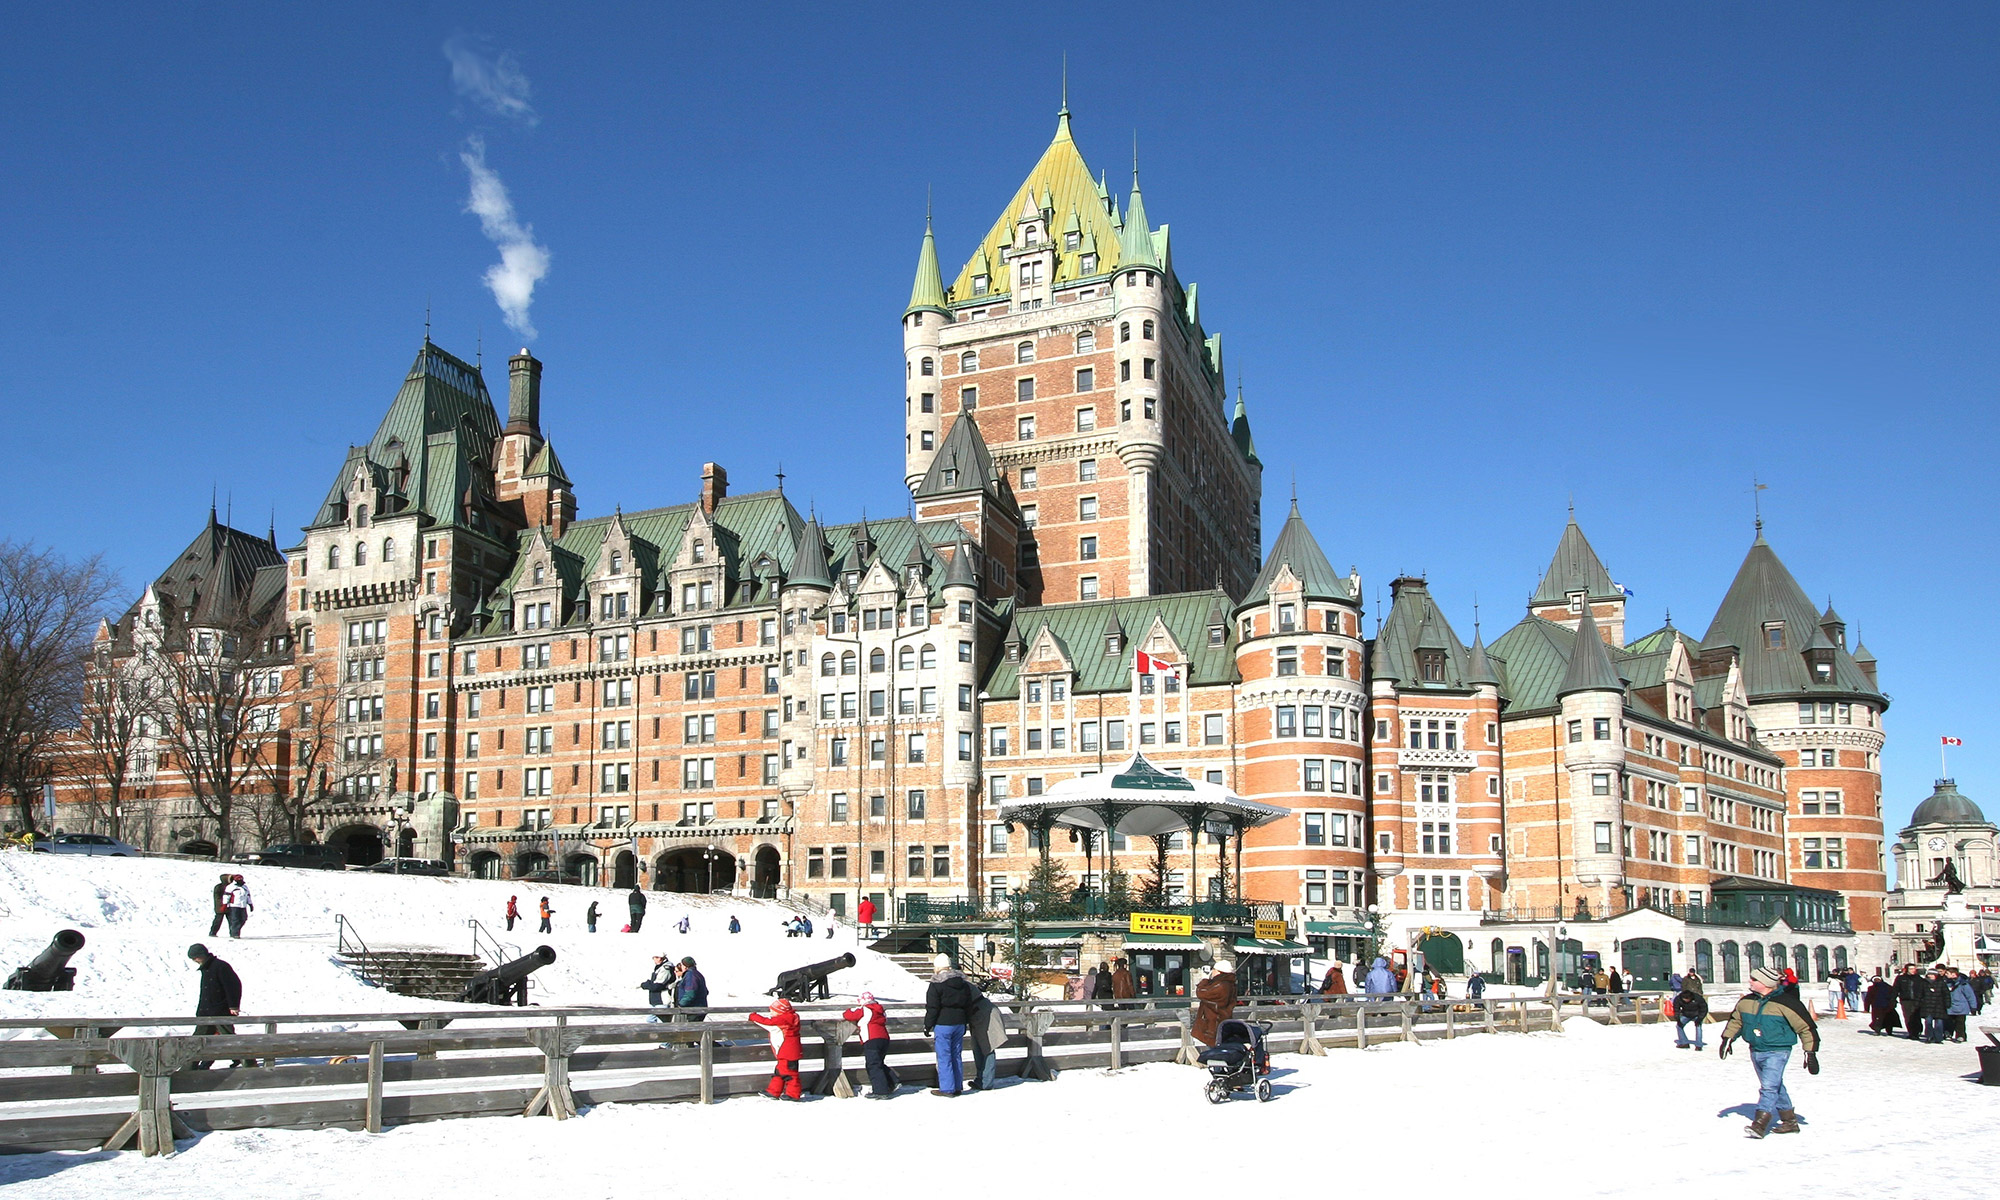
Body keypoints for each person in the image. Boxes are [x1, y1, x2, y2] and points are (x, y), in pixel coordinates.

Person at [1720, 965, 1820, 1138]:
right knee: (1775, 1086)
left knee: (1768, 1087)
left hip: (1778, 1050)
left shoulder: (1786, 1003)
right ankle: (1790, 1122)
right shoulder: (1746, 1002)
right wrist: (1727, 1039)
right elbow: (1736, 1020)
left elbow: (1806, 1027)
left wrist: (1810, 1052)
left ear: (1765, 983)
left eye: (1754, 979)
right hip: (1756, 1049)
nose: (1750, 981)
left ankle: (1759, 1124)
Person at [924, 952, 976, 1096]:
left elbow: (932, 1007)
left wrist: (928, 1025)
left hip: (943, 1023)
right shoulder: (963, 984)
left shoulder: (936, 984)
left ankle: (947, 1088)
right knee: (956, 1055)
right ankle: (958, 1085)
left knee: (944, 1056)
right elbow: (969, 1004)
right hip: (959, 1023)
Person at [188, 943, 246, 1070]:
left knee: (228, 1038)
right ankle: (188, 1067)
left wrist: (233, 1006)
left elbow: (233, 986)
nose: (194, 961)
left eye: (195, 957)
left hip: (221, 1011)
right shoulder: (206, 968)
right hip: (206, 1013)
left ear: (201, 955)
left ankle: (248, 1063)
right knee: (197, 1041)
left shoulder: (221, 967)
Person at [843, 991, 896, 1098]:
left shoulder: (865, 1009)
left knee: (873, 1065)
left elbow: (848, 1014)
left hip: (871, 1038)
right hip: (884, 1038)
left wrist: (854, 1008)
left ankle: (881, 1091)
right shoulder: (880, 1010)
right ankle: (892, 1081)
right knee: (878, 1062)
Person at [749, 997, 804, 1100]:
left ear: (780, 1012)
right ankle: (774, 1091)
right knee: (779, 1071)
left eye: (772, 1011)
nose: (771, 1013)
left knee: (790, 1074)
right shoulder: (791, 1017)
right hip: (790, 1051)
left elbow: (767, 1022)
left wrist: (753, 1016)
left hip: (787, 1052)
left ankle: (793, 1094)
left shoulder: (782, 1020)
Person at [1191, 958, 1239, 1046]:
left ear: (1219, 972)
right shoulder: (1229, 984)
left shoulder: (1220, 985)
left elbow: (1201, 992)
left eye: (1214, 970)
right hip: (1221, 1020)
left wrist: (1205, 979)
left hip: (1214, 1022)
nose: (1212, 972)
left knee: (1214, 1047)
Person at [967, 984, 1004, 1091]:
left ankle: (986, 1082)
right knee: (978, 1048)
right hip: (979, 1014)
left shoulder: (963, 985)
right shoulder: (964, 984)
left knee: (988, 1047)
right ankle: (981, 1079)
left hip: (985, 1014)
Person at [1673, 972, 1709, 1049]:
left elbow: (1704, 1009)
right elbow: (1676, 1008)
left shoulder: (1698, 998)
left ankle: (1699, 1045)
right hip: (1686, 1014)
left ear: (1690, 998)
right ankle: (1684, 1042)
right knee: (1679, 1026)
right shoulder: (1679, 998)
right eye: (1684, 999)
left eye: (1686, 999)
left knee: (1698, 1027)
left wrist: (1700, 1018)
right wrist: (1677, 1017)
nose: (1685, 1001)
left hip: (1697, 1014)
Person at [1920, 966, 1951, 1043]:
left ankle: (1938, 1038)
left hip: (1939, 1006)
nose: (1930, 976)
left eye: (1932, 974)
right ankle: (1929, 1036)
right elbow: (1920, 994)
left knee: (1939, 1024)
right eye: (1929, 974)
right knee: (1928, 1022)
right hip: (1927, 1006)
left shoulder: (1941, 983)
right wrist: (1919, 1003)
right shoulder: (1924, 983)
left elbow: (1946, 994)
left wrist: (1947, 1003)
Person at [1894, 964, 1925, 1038]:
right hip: (1906, 1000)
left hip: (1917, 1000)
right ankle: (1911, 1032)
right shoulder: (1900, 978)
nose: (1913, 970)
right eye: (1911, 969)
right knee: (1908, 1017)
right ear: (1906, 969)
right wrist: (1893, 999)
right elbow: (1895, 989)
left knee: (1916, 1016)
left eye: (1914, 969)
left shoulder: (1919, 979)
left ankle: (1917, 1031)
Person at [1946, 967, 1976, 1043]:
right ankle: (1949, 1033)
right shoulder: (1947, 983)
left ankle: (1960, 1036)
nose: (1946, 975)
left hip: (1961, 1007)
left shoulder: (1963, 984)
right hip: (1951, 1007)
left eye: (1948, 973)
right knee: (1950, 1021)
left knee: (1960, 1023)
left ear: (1953, 974)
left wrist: (1973, 1007)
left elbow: (1970, 995)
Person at [207, 873, 231, 937]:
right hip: (220, 907)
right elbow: (217, 898)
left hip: (228, 906)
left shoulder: (230, 886)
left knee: (232, 921)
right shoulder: (219, 887)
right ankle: (213, 932)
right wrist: (223, 904)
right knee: (218, 921)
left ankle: (233, 933)